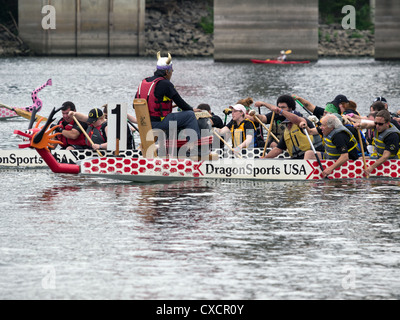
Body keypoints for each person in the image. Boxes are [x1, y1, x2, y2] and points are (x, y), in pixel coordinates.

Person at [135, 51, 200, 140]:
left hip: (144, 122)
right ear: (167, 71)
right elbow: (181, 103)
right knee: (190, 115)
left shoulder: (144, 82)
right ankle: (195, 147)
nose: (171, 73)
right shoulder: (165, 83)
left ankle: (170, 146)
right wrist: (192, 109)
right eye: (171, 71)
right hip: (158, 122)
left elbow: (134, 105)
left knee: (176, 116)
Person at [254, 103, 322, 159]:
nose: (288, 125)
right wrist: (265, 158)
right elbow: (278, 149)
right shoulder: (287, 132)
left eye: (290, 122)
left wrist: (280, 111)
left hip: (314, 155)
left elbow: (298, 120)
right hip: (297, 158)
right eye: (287, 123)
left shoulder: (304, 123)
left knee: (308, 154)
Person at [304, 114, 360, 178]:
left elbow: (345, 157)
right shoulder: (326, 128)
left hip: (348, 162)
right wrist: (305, 126)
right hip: (332, 157)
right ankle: (306, 175)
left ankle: (313, 174)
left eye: (323, 125)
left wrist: (330, 169)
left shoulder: (339, 136)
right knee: (309, 153)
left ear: (331, 127)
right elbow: (310, 132)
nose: (321, 127)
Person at [355, 110, 400, 176]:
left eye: (380, 124)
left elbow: (385, 157)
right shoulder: (377, 125)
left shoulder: (392, 135)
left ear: (387, 123)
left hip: (393, 163)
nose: (377, 126)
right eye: (376, 123)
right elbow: (367, 124)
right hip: (380, 158)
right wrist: (360, 125)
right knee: (360, 158)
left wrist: (371, 168)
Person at [69, 107, 134, 150]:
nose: (92, 124)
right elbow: (82, 117)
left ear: (101, 118)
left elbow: (113, 143)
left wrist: (99, 146)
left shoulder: (107, 127)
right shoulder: (93, 122)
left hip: (104, 152)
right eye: (91, 121)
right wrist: (74, 113)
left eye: (94, 121)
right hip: (91, 150)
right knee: (69, 148)